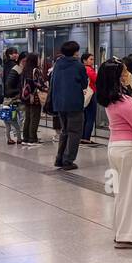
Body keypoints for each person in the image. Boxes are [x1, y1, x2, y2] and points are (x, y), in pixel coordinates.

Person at [97, 60, 132, 249]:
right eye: (125, 71)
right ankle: (129, 236)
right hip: (128, 148)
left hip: (115, 146)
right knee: (131, 192)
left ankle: (120, 231)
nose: (128, 74)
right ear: (117, 77)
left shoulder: (111, 100)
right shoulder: (123, 100)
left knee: (121, 192)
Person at [49, 40, 86, 170]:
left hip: (59, 103)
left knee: (64, 131)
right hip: (74, 103)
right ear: (75, 52)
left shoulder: (58, 64)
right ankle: (68, 160)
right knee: (75, 132)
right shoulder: (78, 66)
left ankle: (59, 158)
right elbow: (84, 84)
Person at [18, 53, 43, 147]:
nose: (40, 60)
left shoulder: (24, 70)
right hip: (34, 96)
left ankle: (26, 137)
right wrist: (46, 89)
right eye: (39, 58)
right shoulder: (35, 70)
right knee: (35, 117)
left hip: (26, 97)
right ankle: (33, 139)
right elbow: (38, 84)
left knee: (28, 117)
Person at [1, 50, 24, 145]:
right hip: (12, 100)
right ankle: (19, 138)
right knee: (15, 123)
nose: (16, 54)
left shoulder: (5, 65)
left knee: (7, 125)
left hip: (6, 102)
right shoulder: (15, 67)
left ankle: (9, 139)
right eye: (14, 53)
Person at [80, 52, 98, 144]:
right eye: (90, 59)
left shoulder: (81, 69)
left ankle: (82, 136)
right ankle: (86, 138)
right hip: (91, 94)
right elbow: (96, 80)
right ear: (84, 60)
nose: (92, 61)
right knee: (90, 117)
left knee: (85, 117)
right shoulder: (89, 70)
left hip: (84, 95)